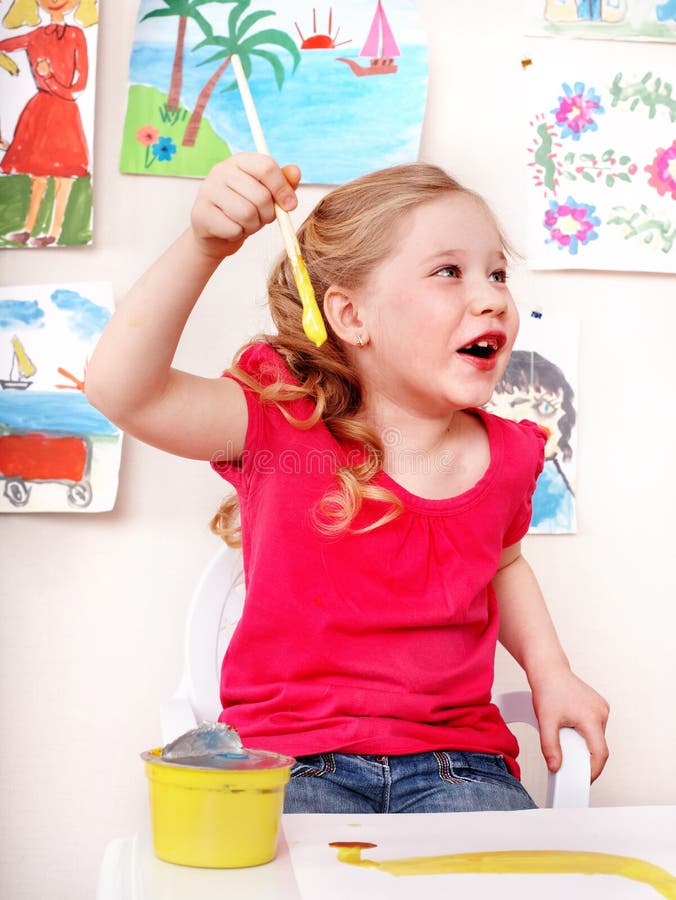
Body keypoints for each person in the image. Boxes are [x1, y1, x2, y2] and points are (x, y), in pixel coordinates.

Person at [85, 153, 609, 814]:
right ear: (351, 317)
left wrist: (550, 672)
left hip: (458, 765)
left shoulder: (507, 455)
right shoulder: (279, 424)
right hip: (289, 762)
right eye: (450, 271)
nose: (491, 296)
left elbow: (503, 562)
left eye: (497, 272)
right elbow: (120, 391)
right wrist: (202, 248)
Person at [0, 0, 97, 247]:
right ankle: (28, 229)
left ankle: (53, 233)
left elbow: (78, 88)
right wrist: (9, 65)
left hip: (64, 113)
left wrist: (49, 77)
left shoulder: (76, 35)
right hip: (40, 111)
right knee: (38, 177)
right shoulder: (35, 35)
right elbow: (3, 45)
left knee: (63, 178)